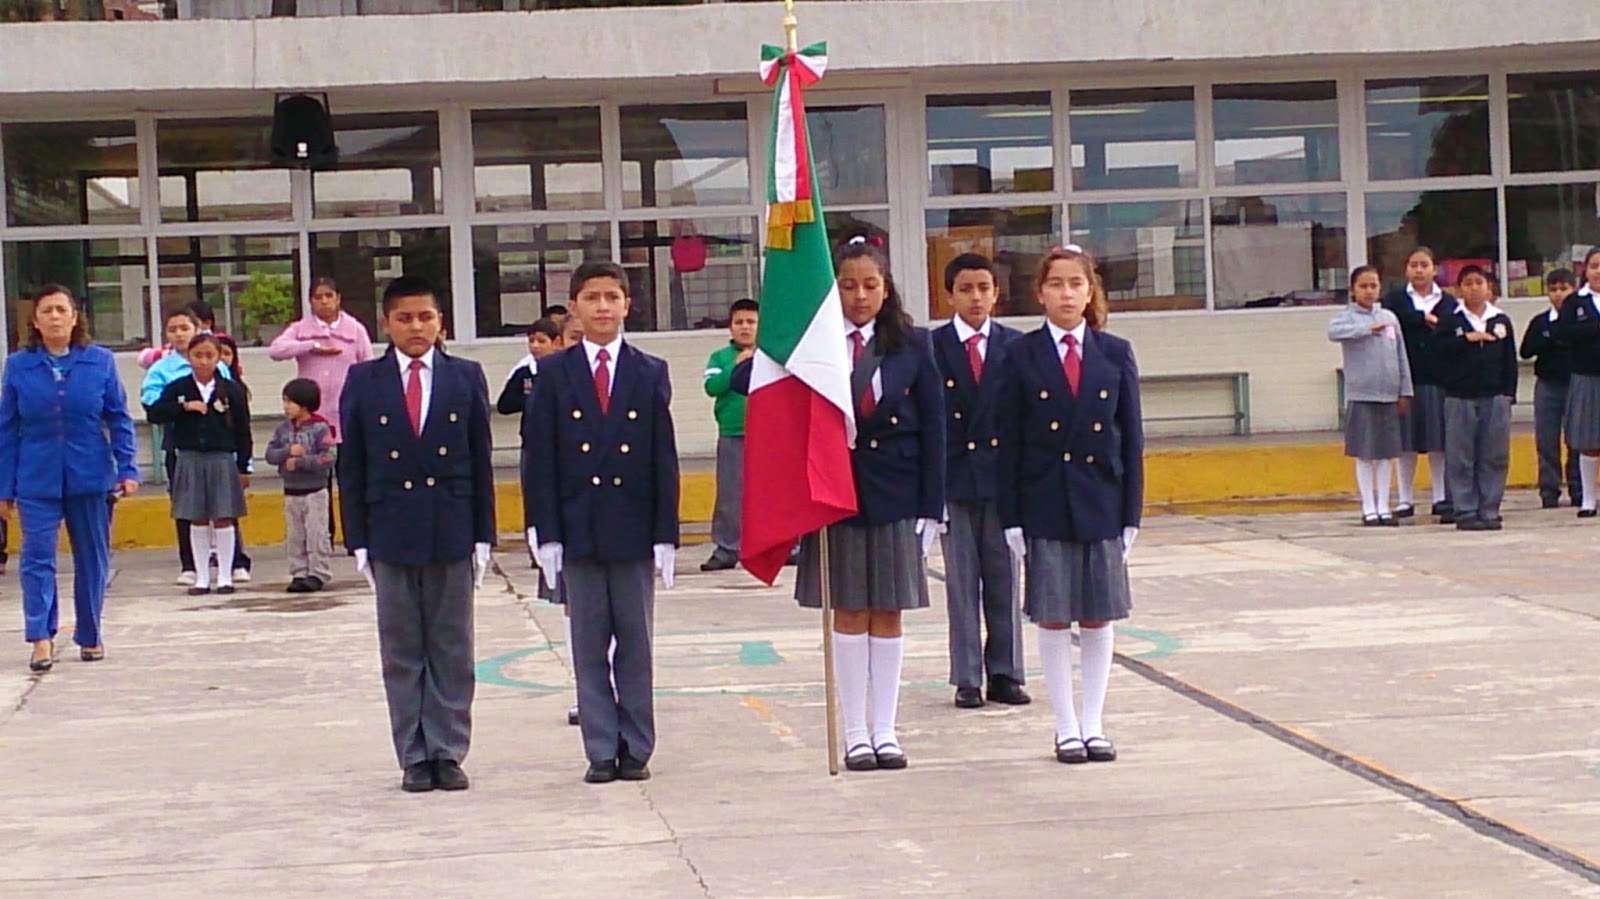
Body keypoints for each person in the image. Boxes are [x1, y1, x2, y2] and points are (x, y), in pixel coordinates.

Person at [524, 260, 680, 785]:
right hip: (579, 527)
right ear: (574, 307)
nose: (603, 307)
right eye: (591, 298)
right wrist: (545, 532)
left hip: (633, 527)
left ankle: (636, 747)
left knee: (635, 645)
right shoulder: (553, 373)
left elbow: (662, 457)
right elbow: (541, 458)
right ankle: (599, 748)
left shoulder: (649, 370)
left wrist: (666, 534)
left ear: (627, 305)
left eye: (612, 297)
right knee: (588, 646)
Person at [339, 275, 496, 794]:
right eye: (404, 318)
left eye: (425, 317)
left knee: (452, 647)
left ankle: (448, 751)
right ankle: (413, 754)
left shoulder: (465, 376)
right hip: (391, 529)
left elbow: (480, 459)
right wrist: (358, 539)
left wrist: (483, 535)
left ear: (440, 322)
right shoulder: (364, 380)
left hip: (451, 525)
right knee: (402, 650)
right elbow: (352, 464)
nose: (416, 327)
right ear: (386, 324)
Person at [793, 236, 944, 773]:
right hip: (835, 493)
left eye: (870, 285)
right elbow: (754, 383)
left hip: (897, 492)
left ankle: (886, 730)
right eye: (848, 285)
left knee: (889, 611)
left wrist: (932, 507)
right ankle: (855, 731)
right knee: (850, 610)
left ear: (887, 288)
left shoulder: (912, 343)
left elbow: (935, 428)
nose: (860, 296)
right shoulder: (815, 343)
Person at [996, 245, 1143, 765]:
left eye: (1076, 284)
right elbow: (1008, 442)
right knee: (1055, 617)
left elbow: (1131, 439)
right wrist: (1011, 517)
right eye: (1056, 284)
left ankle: (1094, 722)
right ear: (1040, 293)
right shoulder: (1020, 354)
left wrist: (1131, 514)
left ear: (1090, 291)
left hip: (1101, 499)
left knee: (1099, 617)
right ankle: (1064, 726)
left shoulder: (1114, 352)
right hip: (1045, 500)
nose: (1066, 293)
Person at [0, 284, 140, 672]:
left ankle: (90, 633)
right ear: (35, 321)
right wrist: (4, 488)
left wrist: (128, 468)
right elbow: (6, 429)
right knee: (36, 558)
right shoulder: (18, 366)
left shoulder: (100, 361)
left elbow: (119, 417)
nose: (55, 317)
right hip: (36, 477)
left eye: (62, 310)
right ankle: (40, 637)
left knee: (92, 558)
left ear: (75, 317)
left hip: (90, 476)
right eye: (47, 311)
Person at [930, 254, 1028, 709]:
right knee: (961, 584)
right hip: (953, 481)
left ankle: (1005, 673)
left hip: (1003, 482)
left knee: (1005, 580)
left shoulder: (1016, 346)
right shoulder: (932, 347)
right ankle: (967, 677)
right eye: (966, 289)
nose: (975, 298)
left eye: (984, 288)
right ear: (949, 294)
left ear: (996, 293)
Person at [269, 277, 375, 543]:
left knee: (350, 479)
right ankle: (322, 536)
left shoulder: (355, 329)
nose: (324, 301)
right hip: (312, 422)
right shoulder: (301, 329)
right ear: (310, 301)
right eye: (318, 297)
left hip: (346, 417)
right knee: (316, 481)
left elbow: (368, 367)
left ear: (338, 298)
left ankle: (355, 537)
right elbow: (276, 350)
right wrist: (312, 345)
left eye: (329, 296)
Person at [147, 334, 253, 594]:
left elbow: (243, 430)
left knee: (224, 516)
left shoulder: (231, 390)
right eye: (198, 355)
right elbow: (155, 413)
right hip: (190, 457)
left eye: (210, 356)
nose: (204, 361)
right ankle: (201, 576)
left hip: (222, 458)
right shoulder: (178, 388)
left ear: (218, 359)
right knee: (197, 518)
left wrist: (243, 465)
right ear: (189, 357)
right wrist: (183, 407)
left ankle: (225, 576)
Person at [141, 308, 233, 585]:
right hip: (182, 444)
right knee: (188, 509)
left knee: (224, 509)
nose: (179, 334)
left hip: (219, 448)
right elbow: (152, 404)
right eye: (173, 329)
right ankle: (192, 566)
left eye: (185, 328)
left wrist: (244, 462)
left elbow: (236, 411)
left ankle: (231, 566)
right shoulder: (162, 370)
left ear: (197, 330)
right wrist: (181, 406)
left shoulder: (221, 371)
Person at [1431, 265, 1516, 531]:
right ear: (1459, 289)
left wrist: (1509, 394)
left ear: (1489, 288)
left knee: (1494, 456)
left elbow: (1509, 360)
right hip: (1459, 397)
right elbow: (1437, 352)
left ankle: (1489, 509)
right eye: (1468, 283)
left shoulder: (1500, 320)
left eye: (1479, 282)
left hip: (1494, 397)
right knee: (1461, 457)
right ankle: (1465, 509)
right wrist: (1466, 339)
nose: (1474, 288)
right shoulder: (1450, 320)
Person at [1328, 265, 1412, 526]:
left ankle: (1384, 505)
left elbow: (1401, 355)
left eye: (1373, 285)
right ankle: (1368, 506)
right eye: (1363, 286)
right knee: (1365, 453)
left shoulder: (1389, 317)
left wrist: (1405, 390)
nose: (1369, 291)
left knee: (1386, 454)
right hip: (1362, 394)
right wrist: (1366, 329)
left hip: (1388, 394)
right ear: (1352, 290)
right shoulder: (1347, 318)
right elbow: (1333, 332)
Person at [1383, 247, 1451, 522]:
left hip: (1438, 379)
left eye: (1424, 265)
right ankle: (1405, 499)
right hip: (1405, 380)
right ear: (1406, 269)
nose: (1419, 270)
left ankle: (1440, 497)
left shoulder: (1447, 302)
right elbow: (1392, 324)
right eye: (1414, 265)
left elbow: (1449, 330)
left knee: (1438, 442)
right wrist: (1421, 319)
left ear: (1435, 269)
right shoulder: (1395, 300)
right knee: (1406, 443)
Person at [701, 298, 758, 572]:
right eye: (739, 322)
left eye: (751, 322)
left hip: (769, 434)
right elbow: (712, 386)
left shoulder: (772, 356)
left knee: (775, 491)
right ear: (730, 327)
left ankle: (786, 546)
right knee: (731, 495)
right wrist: (737, 366)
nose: (745, 327)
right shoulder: (720, 358)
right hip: (733, 434)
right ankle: (727, 548)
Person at [264, 378, 337, 593]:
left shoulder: (321, 428)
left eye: (290, 402)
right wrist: (287, 452)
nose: (286, 406)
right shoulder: (282, 430)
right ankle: (299, 572)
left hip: (315, 491)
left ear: (304, 404)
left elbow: (329, 457)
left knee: (316, 534)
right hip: (291, 491)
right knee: (295, 535)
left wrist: (301, 462)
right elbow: (270, 455)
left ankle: (318, 572)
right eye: (284, 401)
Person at [1519, 268, 1582, 509]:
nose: (1558, 294)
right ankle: (1549, 489)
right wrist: (1550, 338)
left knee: (1576, 439)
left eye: (1564, 289)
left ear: (1573, 290)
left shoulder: (1582, 319)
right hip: (1547, 385)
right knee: (1546, 439)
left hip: (1575, 384)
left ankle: (1578, 488)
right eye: (1553, 289)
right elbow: (1526, 350)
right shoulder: (1541, 322)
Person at [1555, 248, 1600, 519]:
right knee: (1588, 440)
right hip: (1587, 375)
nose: (1599, 271)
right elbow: (1563, 333)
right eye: (1594, 266)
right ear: (1585, 270)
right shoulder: (1575, 302)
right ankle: (1588, 499)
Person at [214, 334, 253, 583]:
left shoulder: (236, 390)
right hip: (206, 458)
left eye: (228, 354)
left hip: (231, 459)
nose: (223, 360)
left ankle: (237, 561)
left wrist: (245, 465)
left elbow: (244, 431)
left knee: (228, 513)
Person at [496, 316, 563, 422]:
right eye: (531, 341)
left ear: (556, 343)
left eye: (541, 341)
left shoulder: (566, 369)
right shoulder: (524, 371)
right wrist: (532, 399)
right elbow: (504, 405)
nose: (535, 346)